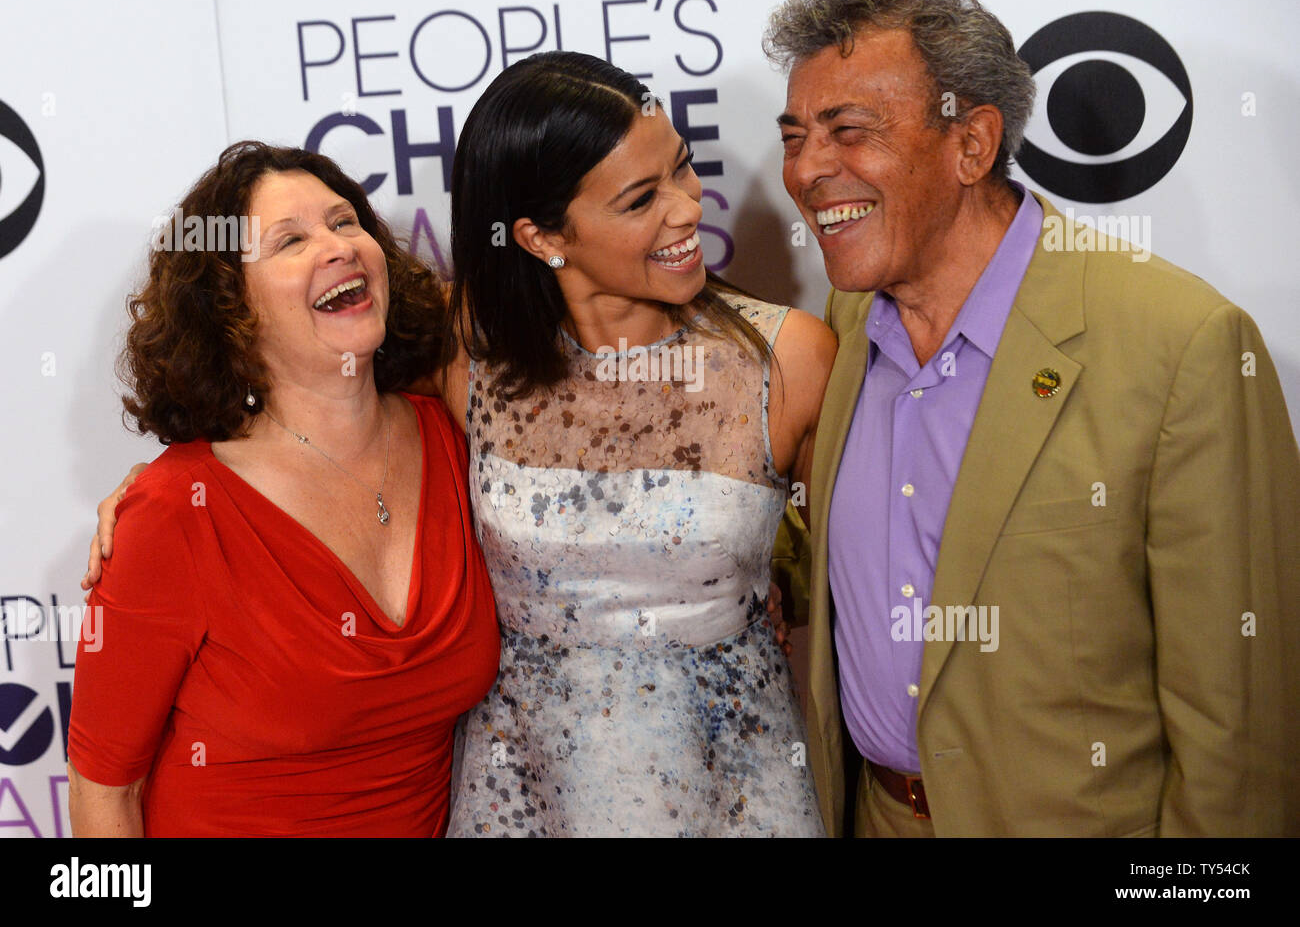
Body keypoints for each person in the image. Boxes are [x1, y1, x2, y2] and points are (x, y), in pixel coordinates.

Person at [84, 53, 838, 837]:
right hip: (523, 802)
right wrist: (160, 495)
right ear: (542, 236)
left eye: (684, 170)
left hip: (739, 791)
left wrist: (760, 582)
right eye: (642, 198)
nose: (688, 209)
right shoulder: (466, 355)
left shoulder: (785, 361)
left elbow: (860, 563)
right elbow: (290, 395)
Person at [765, 0, 1300, 836]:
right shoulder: (847, 323)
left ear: (971, 145)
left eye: (847, 131)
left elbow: (1239, 726)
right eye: (794, 136)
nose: (808, 170)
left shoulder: (1182, 344)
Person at [68, 142, 500, 836]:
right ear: (231, 306)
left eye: (346, 222)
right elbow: (103, 796)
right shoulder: (176, 511)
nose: (338, 247)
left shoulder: (453, 432)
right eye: (291, 241)